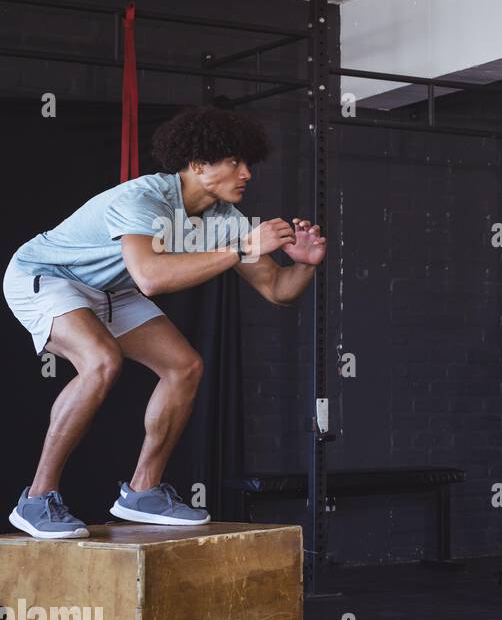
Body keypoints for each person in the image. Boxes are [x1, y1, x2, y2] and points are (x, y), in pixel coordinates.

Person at [4, 104, 326, 538]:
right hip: (47, 274)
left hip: (109, 290)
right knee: (101, 361)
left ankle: (143, 490)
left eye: (247, 162)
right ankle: (37, 498)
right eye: (234, 161)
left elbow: (277, 291)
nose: (246, 172)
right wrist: (243, 248)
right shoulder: (144, 199)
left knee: (185, 367)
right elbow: (151, 278)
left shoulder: (223, 220)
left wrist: (304, 264)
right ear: (197, 163)